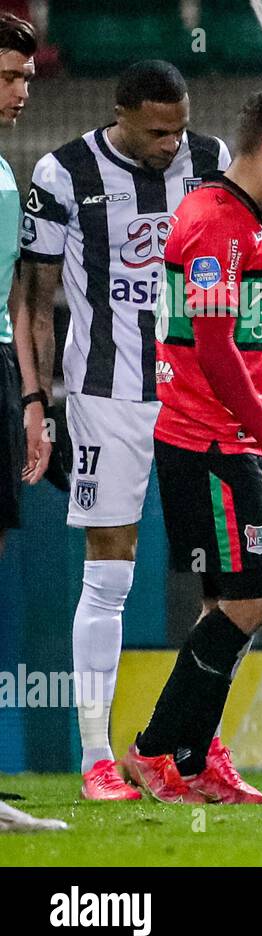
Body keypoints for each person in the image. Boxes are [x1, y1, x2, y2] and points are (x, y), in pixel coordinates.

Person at [13, 60, 232, 801]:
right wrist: (35, 400)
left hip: (197, 395)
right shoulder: (63, 171)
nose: (173, 144)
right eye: (156, 131)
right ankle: (96, 756)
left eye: (179, 128)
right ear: (122, 113)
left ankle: (195, 754)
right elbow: (35, 300)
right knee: (110, 571)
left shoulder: (212, 162)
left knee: (222, 579)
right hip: (108, 395)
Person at [118, 87, 262, 804]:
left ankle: (193, 755)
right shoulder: (216, 225)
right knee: (249, 605)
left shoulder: (236, 219)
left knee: (225, 608)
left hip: (220, 438)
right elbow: (212, 347)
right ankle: (156, 752)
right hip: (212, 442)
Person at [0, 12, 35, 557]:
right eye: (9, 76)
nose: (21, 91)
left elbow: (15, 294)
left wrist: (31, 397)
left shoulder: (6, 171)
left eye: (27, 78)